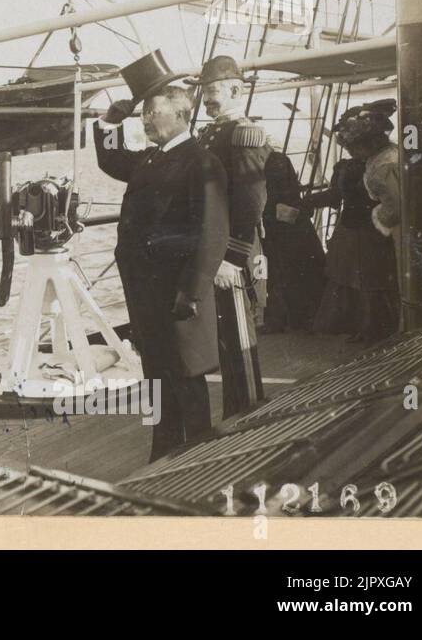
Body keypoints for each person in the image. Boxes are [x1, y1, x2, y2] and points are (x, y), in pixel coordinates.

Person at [95, 75, 229, 463]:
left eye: (153, 114)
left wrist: (192, 292)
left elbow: (212, 232)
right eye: (145, 115)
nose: (146, 121)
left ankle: (200, 457)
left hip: (176, 291)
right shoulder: (151, 158)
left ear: (182, 115)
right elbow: (111, 159)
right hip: (145, 290)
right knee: (156, 373)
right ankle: (163, 453)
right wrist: (109, 123)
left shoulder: (202, 162)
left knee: (187, 375)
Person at [187, 55, 269, 415]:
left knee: (238, 334)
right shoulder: (211, 132)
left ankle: (249, 410)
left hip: (233, 252)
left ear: (236, 89)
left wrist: (231, 256)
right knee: (224, 333)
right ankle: (235, 410)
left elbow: (252, 199)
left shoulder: (243, 134)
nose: (207, 97)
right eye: (205, 91)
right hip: (214, 252)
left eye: (214, 89)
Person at [304, 99, 400, 344]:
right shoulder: (352, 167)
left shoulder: (383, 165)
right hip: (356, 228)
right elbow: (336, 195)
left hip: (374, 231)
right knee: (360, 282)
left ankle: (378, 329)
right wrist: (305, 202)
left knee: (375, 282)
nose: (349, 151)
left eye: (352, 146)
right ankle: (367, 327)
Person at [260, 146, 326, 333]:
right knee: (297, 273)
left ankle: (285, 319)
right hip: (293, 225)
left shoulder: (272, 163)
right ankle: (301, 319)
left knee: (281, 273)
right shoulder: (278, 160)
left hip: (279, 227)